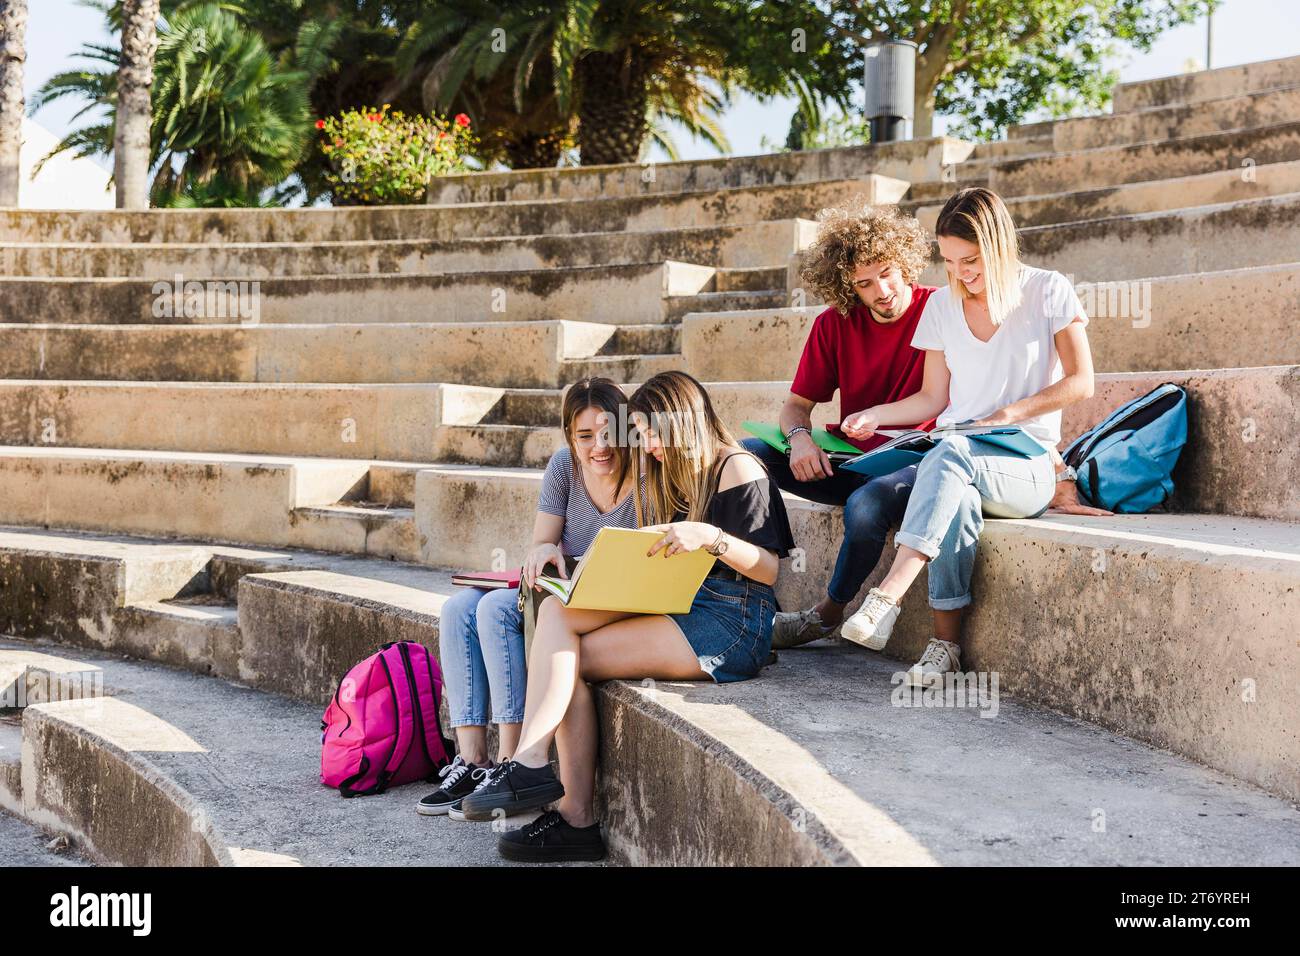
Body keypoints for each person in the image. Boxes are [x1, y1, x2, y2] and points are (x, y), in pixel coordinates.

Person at [459, 371, 796, 862]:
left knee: (568, 660)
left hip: (732, 620)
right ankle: (534, 766)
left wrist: (709, 537)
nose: (648, 445)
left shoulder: (737, 469)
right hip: (675, 596)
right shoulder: (666, 468)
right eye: (641, 433)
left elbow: (768, 572)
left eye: (653, 432)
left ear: (682, 422)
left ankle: (573, 815)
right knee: (557, 617)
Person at [836, 186, 1111, 685]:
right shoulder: (941, 306)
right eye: (949, 261)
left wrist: (1011, 412)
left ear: (1000, 246)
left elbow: (1081, 382)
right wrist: (878, 414)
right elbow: (932, 400)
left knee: (952, 453)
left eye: (972, 260)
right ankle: (946, 648)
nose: (962, 273)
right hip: (960, 455)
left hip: (1026, 464)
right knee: (952, 476)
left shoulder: (1048, 289)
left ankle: (888, 596)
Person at [417, 378, 643, 817]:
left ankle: (511, 761)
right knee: (460, 606)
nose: (599, 447)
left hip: (606, 602)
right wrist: (542, 550)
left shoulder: (646, 476)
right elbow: (543, 543)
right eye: (584, 436)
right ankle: (473, 760)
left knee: (494, 608)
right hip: (561, 594)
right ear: (568, 436)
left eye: (609, 433)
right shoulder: (563, 467)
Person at [740, 199, 938, 649]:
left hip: (917, 467)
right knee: (744, 455)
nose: (882, 291)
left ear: (906, 260)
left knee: (866, 507)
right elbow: (795, 406)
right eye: (864, 284)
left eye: (887, 273)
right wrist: (800, 441)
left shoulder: (940, 309)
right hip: (851, 461)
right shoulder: (835, 323)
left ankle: (825, 615)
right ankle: (752, 584)